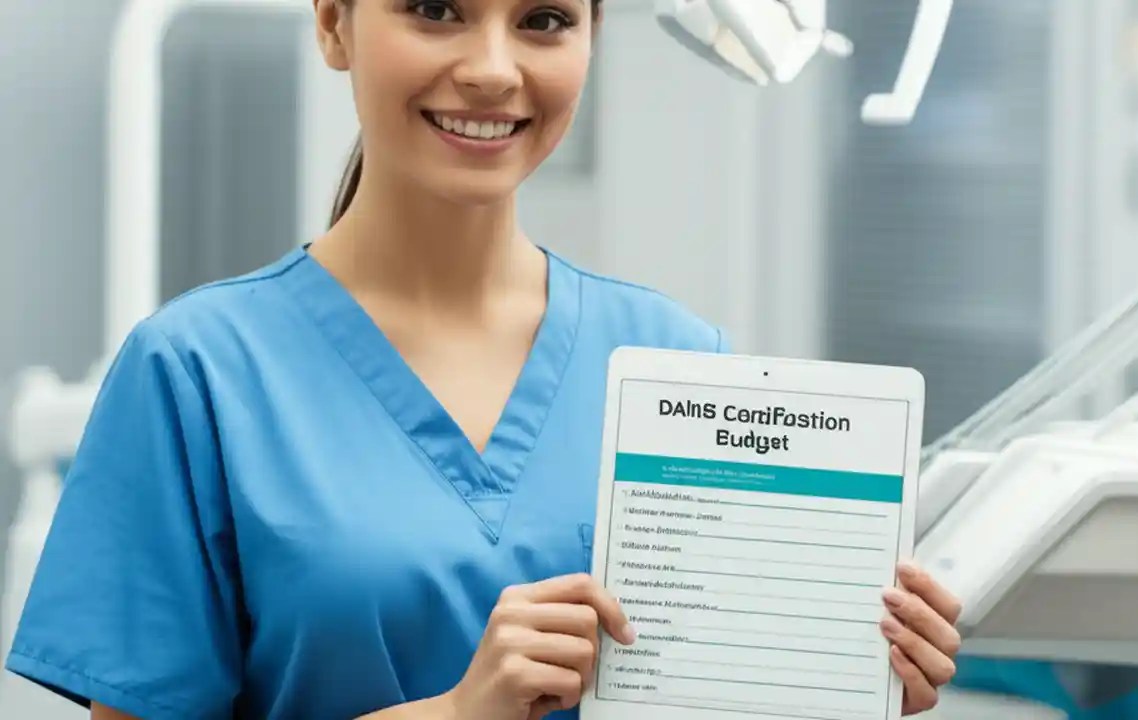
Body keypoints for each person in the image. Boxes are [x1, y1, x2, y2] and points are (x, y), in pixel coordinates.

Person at [5, 1, 963, 718]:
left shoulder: (680, 362)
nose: (495, 69)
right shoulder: (198, 376)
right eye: (435, 11)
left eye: (544, 20)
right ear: (334, 24)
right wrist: (452, 714)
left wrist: (851, 680)